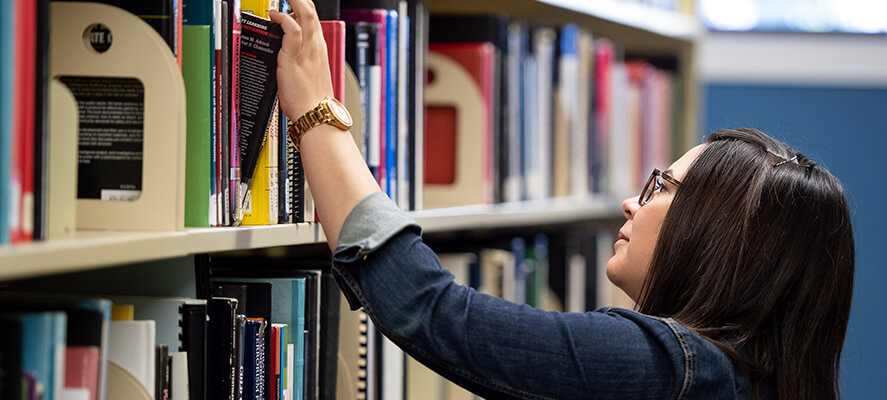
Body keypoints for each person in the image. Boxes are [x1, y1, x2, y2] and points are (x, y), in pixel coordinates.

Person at [268, 1, 855, 399]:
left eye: (660, 188)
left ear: (719, 237)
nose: (630, 202)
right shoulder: (754, 376)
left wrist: (318, 112)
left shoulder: (668, 368)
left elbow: (436, 315)